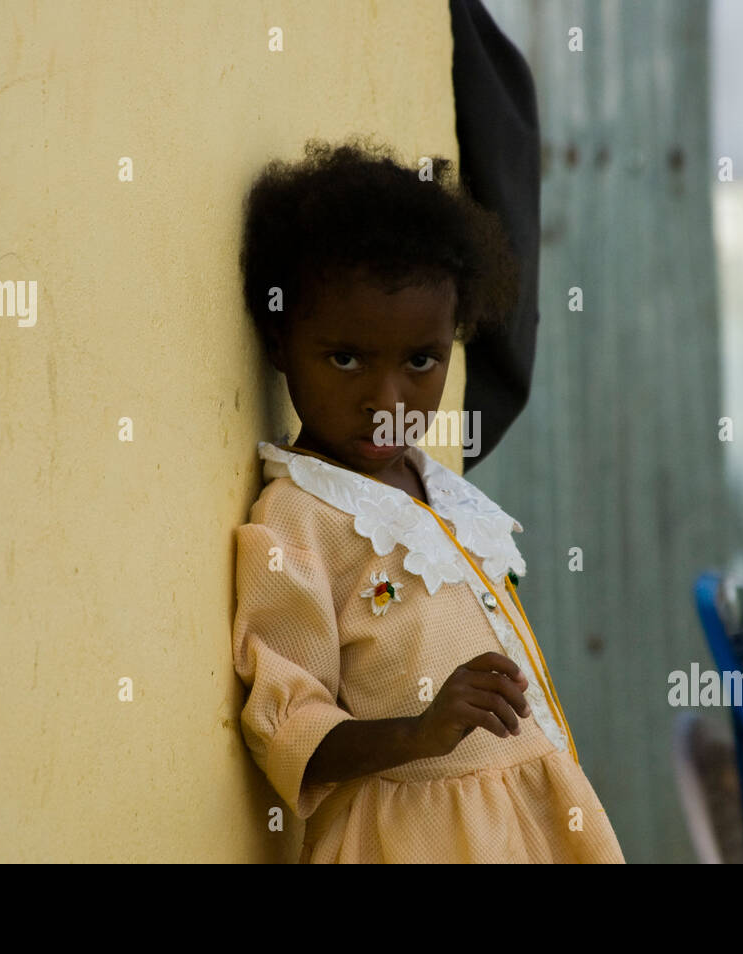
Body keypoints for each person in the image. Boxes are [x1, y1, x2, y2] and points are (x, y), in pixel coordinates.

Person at [232, 137, 625, 862]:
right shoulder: (298, 521)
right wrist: (420, 731)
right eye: (345, 358)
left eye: (421, 361)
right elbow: (289, 730)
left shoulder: (432, 487)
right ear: (280, 340)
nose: (386, 401)